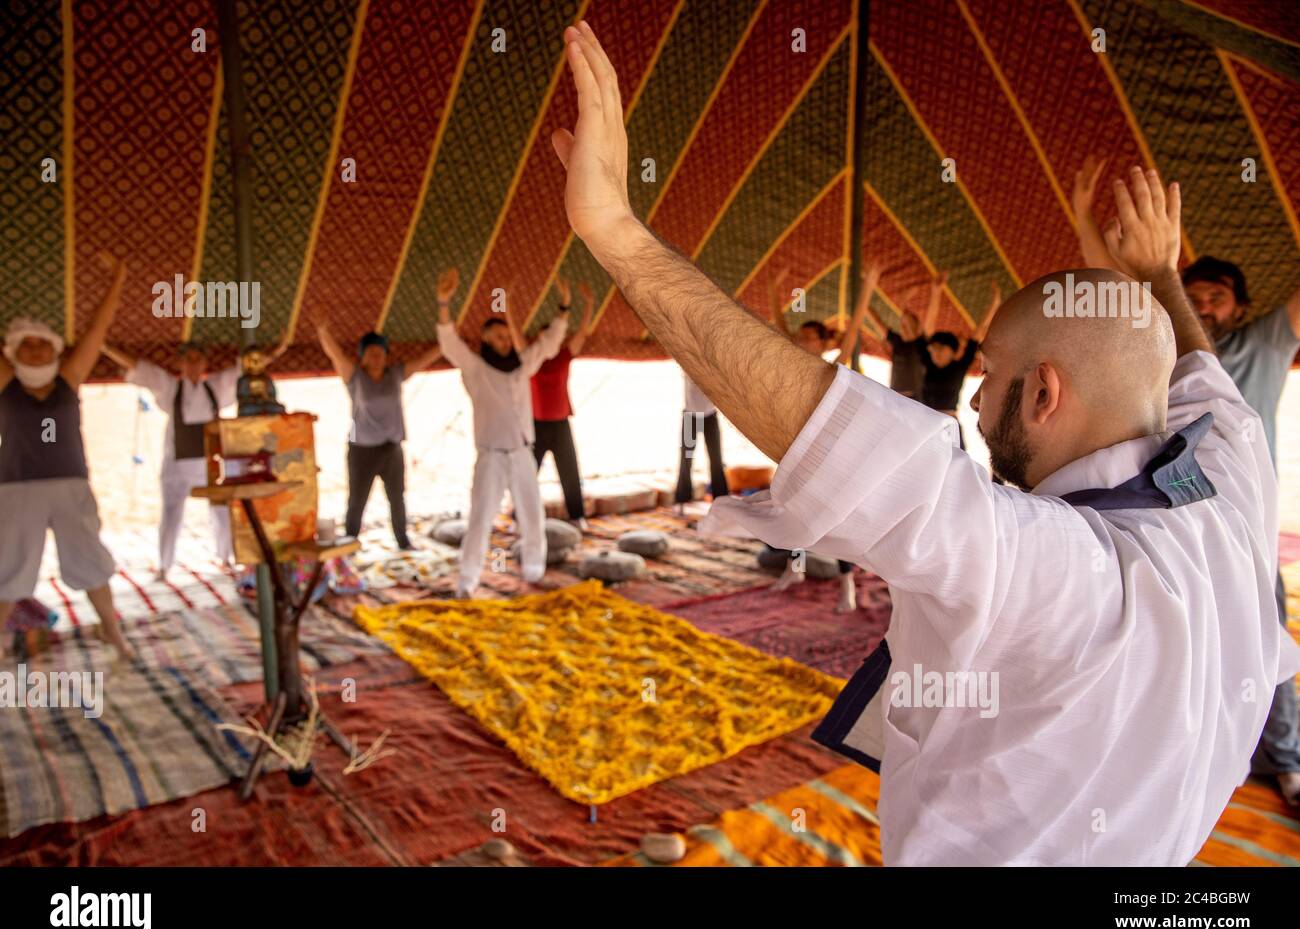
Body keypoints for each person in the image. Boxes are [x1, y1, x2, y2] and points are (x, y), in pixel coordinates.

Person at [549, 22, 1295, 864]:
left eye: (994, 372)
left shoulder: (1060, 575)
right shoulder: (1231, 479)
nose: (976, 401)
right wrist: (1155, 274)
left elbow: (852, 445)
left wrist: (616, 231)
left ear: (1045, 392)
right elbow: (1198, 371)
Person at [1073, 154, 1300, 806]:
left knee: (1263, 646)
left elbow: (1146, 281)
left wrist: (1159, 270)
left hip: (1239, 529)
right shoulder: (1163, 345)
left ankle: (1286, 762)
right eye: (1193, 295)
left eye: (1216, 297)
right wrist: (1085, 219)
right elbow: (1121, 284)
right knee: (1174, 647)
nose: (1202, 304)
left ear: (1242, 307)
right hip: (1166, 524)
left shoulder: (1266, 342)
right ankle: (1185, 764)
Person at [0, 253, 132, 658]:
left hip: (71, 485)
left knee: (90, 559)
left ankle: (112, 631)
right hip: (17, 488)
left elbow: (98, 330)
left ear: (55, 350)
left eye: (43, 344)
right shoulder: (7, 385)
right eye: (28, 345)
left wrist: (119, 279)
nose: (37, 350)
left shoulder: (68, 381)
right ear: (14, 352)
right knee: (10, 569)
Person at [436, 269, 568, 597]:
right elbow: (450, 343)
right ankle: (467, 582)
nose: (505, 341)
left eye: (507, 337)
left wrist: (564, 308)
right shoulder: (476, 369)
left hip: (523, 453)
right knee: (481, 519)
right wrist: (443, 303)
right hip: (491, 457)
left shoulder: (522, 364)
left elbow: (549, 343)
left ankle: (534, 571)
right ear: (484, 341)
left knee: (532, 514)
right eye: (498, 337)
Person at [102, 339, 283, 578]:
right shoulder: (170, 388)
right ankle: (165, 565)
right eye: (189, 359)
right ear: (180, 363)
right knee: (171, 515)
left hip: (211, 463)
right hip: (176, 466)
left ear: (205, 362)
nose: (194, 364)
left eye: (198, 359)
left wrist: (277, 350)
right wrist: (105, 347)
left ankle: (225, 558)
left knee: (221, 512)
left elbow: (249, 366)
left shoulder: (215, 387)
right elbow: (142, 368)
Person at [765, 263, 882, 613]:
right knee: (792, 510)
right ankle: (795, 568)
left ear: (821, 343)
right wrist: (773, 288)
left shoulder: (834, 364)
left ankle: (846, 583)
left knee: (835, 517)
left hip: (828, 449)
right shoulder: (792, 358)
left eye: (807, 337)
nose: (799, 340)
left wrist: (868, 287)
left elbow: (855, 326)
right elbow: (779, 324)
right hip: (794, 445)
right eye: (798, 336)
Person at [316, 313, 443, 551]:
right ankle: (350, 543)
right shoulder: (355, 377)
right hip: (361, 449)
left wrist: (446, 339)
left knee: (397, 498)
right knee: (357, 501)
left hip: (391, 448)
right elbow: (335, 354)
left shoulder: (395, 374)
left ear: (386, 356)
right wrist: (323, 331)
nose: (376, 358)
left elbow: (425, 360)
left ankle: (403, 541)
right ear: (362, 357)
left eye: (380, 353)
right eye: (371, 353)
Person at [531, 277, 596, 527]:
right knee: (528, 473)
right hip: (535, 423)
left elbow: (582, 332)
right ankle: (519, 517)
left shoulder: (563, 356)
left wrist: (589, 304)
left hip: (560, 424)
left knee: (569, 472)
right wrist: (506, 300)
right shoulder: (531, 358)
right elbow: (513, 334)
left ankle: (577, 516)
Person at [917, 273, 1001, 448]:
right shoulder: (927, 363)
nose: (935, 352)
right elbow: (927, 329)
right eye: (934, 348)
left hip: (949, 425)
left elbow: (978, 332)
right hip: (925, 423)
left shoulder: (958, 367)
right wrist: (936, 292)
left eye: (941, 348)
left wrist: (994, 304)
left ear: (953, 352)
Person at [674, 369, 729, 512]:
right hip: (690, 417)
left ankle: (721, 500)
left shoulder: (710, 366)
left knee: (716, 459)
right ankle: (682, 500)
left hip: (710, 417)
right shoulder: (686, 361)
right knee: (686, 458)